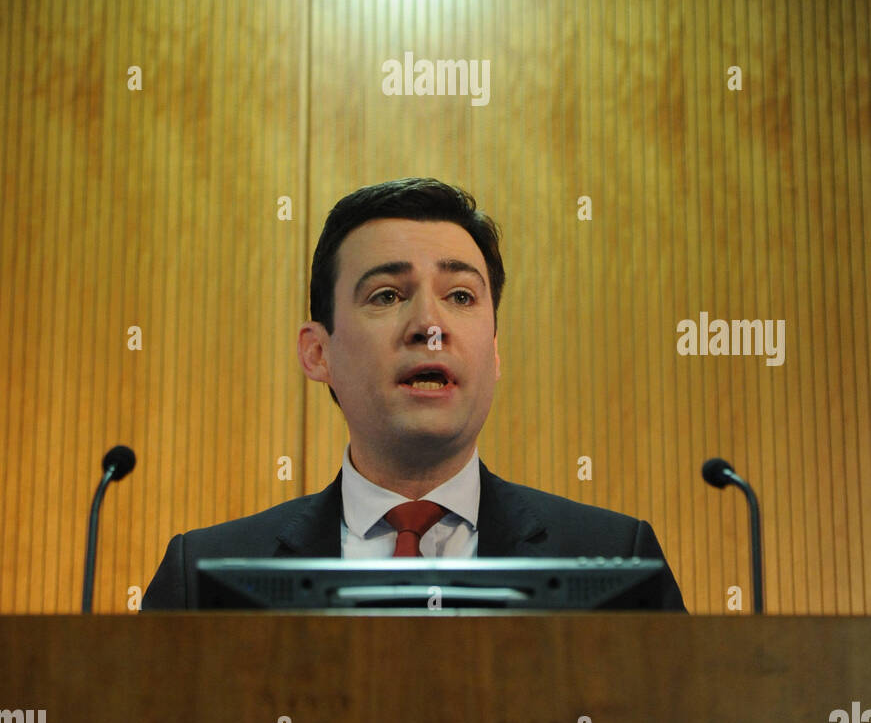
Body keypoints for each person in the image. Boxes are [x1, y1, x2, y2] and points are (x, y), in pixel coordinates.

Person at [141, 178, 686, 610]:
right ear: (317, 352)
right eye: (386, 295)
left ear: (494, 353)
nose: (429, 325)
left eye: (460, 296)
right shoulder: (205, 579)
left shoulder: (615, 563)